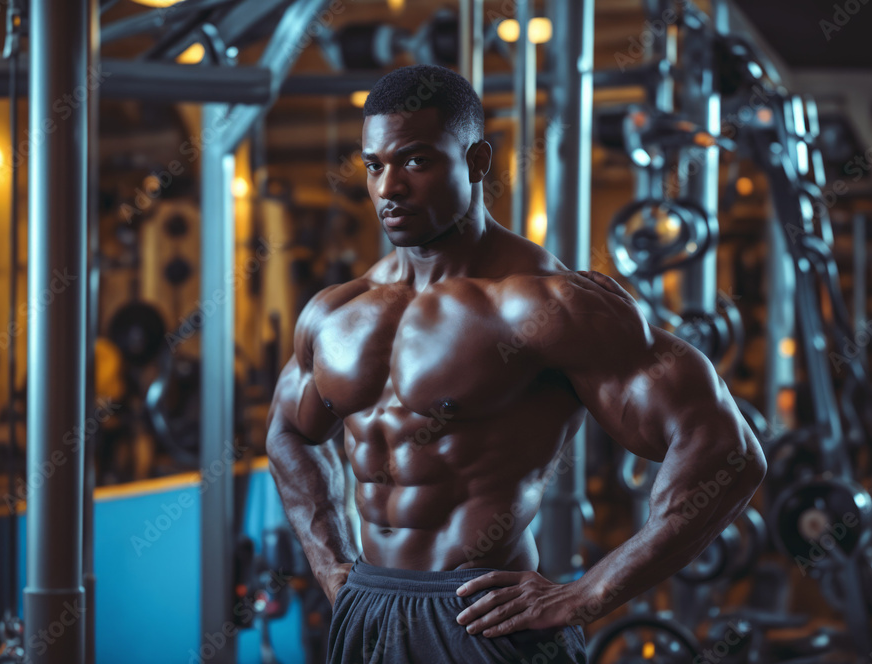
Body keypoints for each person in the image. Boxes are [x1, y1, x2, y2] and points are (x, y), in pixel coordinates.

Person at [266, 64, 767, 664]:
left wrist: (587, 595)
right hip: (369, 607)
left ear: (478, 162)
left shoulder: (542, 302)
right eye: (375, 166)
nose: (388, 188)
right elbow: (288, 433)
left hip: (485, 617)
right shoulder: (336, 311)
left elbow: (727, 451)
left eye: (415, 162)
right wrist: (330, 565)